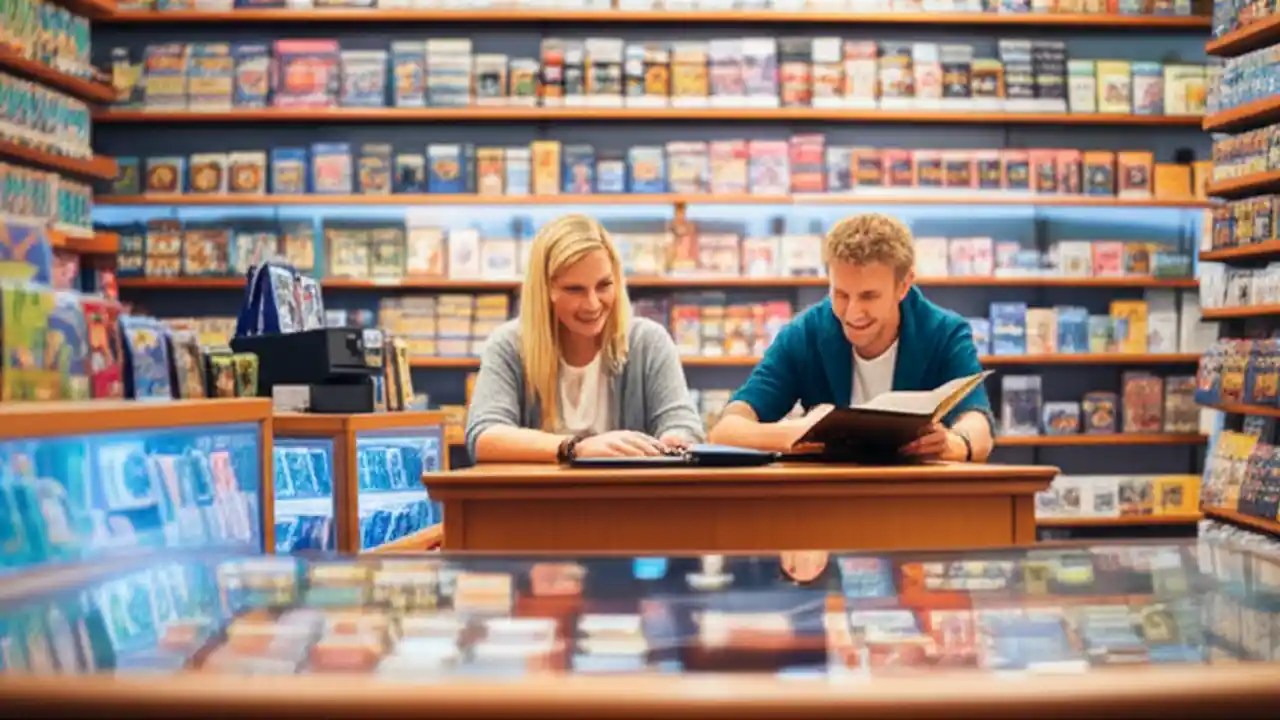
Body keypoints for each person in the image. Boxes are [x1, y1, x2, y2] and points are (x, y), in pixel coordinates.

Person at [708, 212, 994, 462]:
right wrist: (791, 433)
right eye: (841, 294)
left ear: (904, 285)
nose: (853, 312)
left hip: (915, 502)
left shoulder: (944, 332)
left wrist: (956, 443)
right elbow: (726, 430)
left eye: (869, 296)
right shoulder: (806, 333)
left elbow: (978, 424)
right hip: (829, 502)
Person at [466, 214, 704, 462]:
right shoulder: (510, 345)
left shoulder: (648, 342)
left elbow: (685, 427)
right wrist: (575, 448)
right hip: (536, 500)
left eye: (604, 286)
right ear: (545, 290)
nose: (592, 304)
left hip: (631, 500)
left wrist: (674, 439)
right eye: (574, 289)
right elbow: (484, 437)